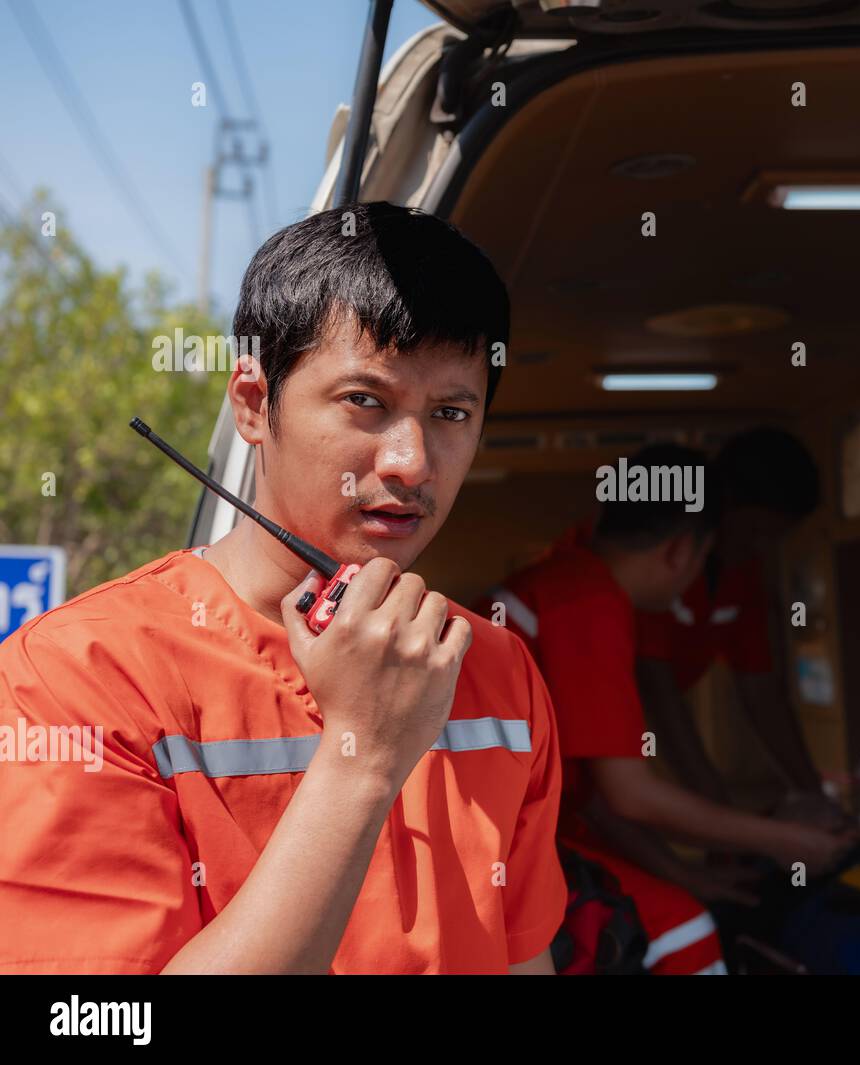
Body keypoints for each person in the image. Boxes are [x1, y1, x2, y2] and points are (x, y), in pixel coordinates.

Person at [0, 203, 566, 974]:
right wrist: (360, 757)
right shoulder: (77, 677)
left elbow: (521, 959)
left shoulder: (496, 669)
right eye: (366, 401)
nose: (411, 461)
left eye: (451, 412)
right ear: (254, 403)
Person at [483, 445, 852, 974]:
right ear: (683, 551)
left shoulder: (568, 582)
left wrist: (686, 874)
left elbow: (594, 799)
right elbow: (630, 796)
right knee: (685, 933)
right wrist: (793, 842)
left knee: (681, 903)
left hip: (520, 827)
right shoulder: (590, 600)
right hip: (501, 842)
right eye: (705, 558)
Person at [635, 427, 844, 829]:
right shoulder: (654, 573)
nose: (762, 548)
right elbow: (657, 688)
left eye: (774, 538)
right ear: (718, 506)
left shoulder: (742, 578)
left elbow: (761, 691)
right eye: (754, 533)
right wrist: (718, 812)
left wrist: (813, 797)